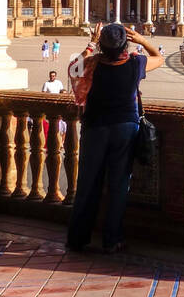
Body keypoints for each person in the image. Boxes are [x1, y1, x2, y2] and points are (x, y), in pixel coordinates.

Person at [66, 23, 163, 254]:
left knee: (88, 183)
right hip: (125, 128)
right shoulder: (135, 63)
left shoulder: (92, 64)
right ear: (125, 44)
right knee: (119, 185)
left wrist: (91, 44)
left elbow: (73, 69)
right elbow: (159, 57)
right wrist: (142, 40)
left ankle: (78, 238)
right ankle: (112, 239)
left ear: (102, 44)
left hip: (95, 126)